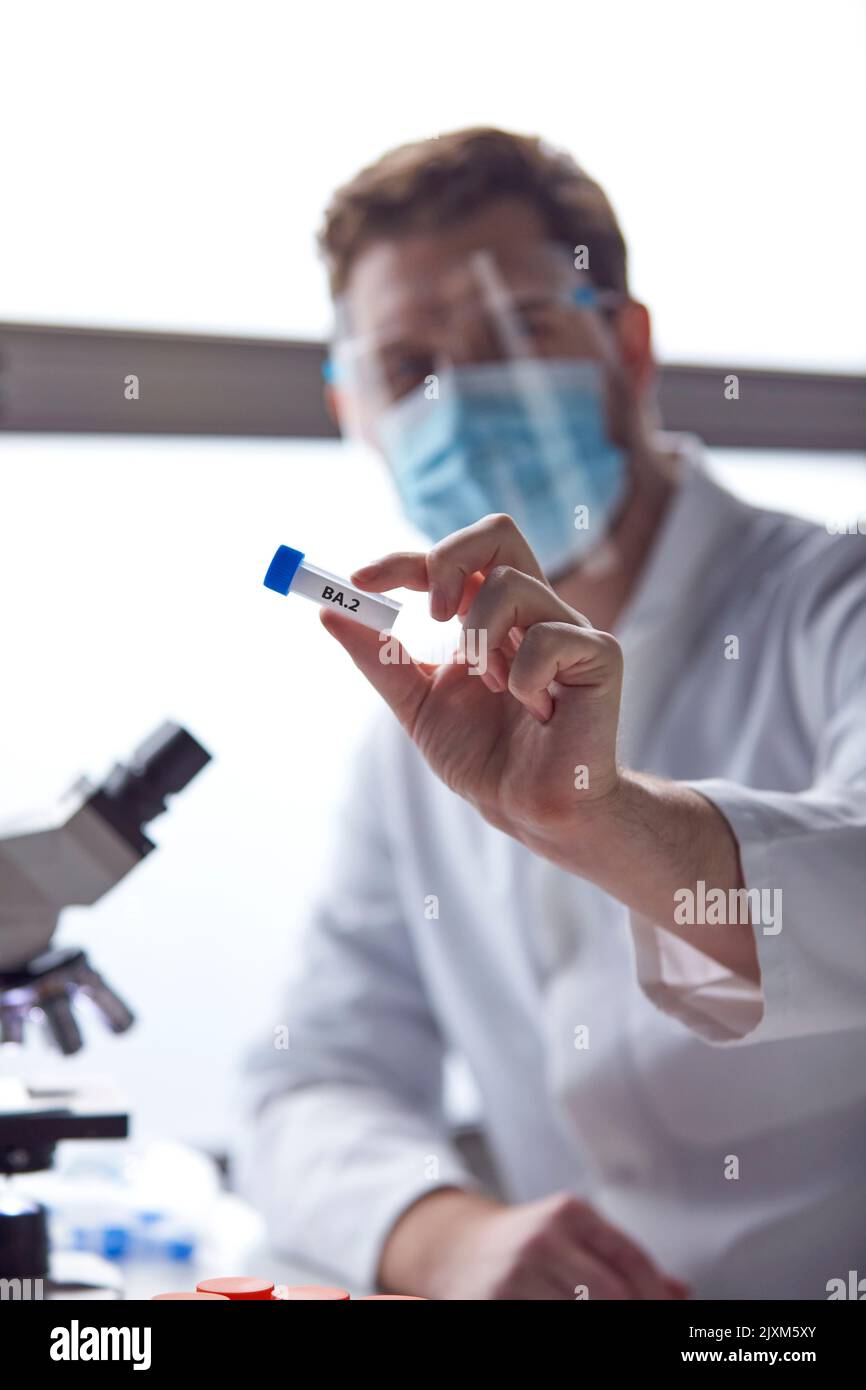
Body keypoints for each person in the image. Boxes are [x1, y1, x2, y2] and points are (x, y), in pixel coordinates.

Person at [240, 128, 866, 1300]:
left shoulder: (832, 601)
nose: (461, 403)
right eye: (406, 366)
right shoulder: (411, 742)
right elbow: (309, 1077)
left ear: (626, 346)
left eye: (518, 333)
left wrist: (603, 819)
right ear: (352, 407)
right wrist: (439, 1234)